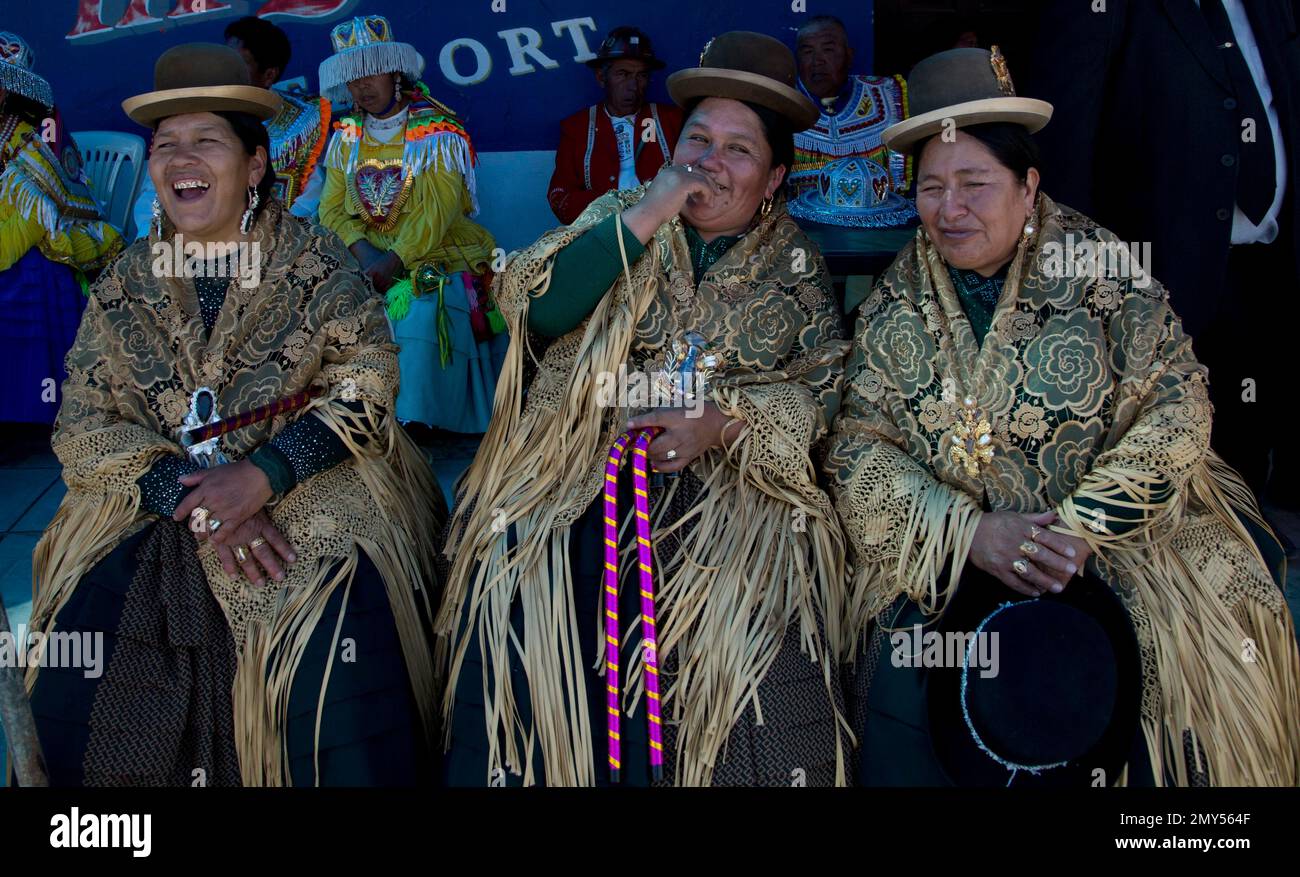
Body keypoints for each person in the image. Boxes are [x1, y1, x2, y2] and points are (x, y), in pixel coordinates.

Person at [826, 47, 1300, 786]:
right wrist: (967, 531)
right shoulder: (896, 299)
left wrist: (1079, 527)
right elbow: (857, 444)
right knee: (904, 685)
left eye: (976, 184)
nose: (950, 211)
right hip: (952, 557)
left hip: (1113, 545)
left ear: (1029, 184)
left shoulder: (1101, 269)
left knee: (1175, 686)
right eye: (933, 187)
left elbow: (1178, 400)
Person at [24, 43, 443, 787]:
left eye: (205, 141)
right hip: (156, 497)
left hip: (312, 485)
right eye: (165, 145)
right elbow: (84, 420)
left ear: (255, 164)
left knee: (330, 654)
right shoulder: (127, 278)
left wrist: (265, 475)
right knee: (87, 659)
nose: (181, 159)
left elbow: (368, 382)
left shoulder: (315, 262)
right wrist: (195, 500)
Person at [438, 31, 851, 786]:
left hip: (731, 488)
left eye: (738, 150)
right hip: (584, 467)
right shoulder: (625, 211)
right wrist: (650, 210)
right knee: (531, 589)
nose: (709, 162)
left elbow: (821, 386)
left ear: (774, 177)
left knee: (754, 634)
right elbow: (540, 307)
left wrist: (721, 424)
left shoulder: (795, 264)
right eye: (698, 138)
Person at [1027, 0, 1300, 507]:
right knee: (1166, 457)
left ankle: (1241, 560)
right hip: (1155, 276)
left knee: (1248, 439)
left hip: (1267, 265)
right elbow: (1064, 138)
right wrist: (1079, 279)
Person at [318, 15, 502, 434]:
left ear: (395, 73)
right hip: (366, 262)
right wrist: (367, 257)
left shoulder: (438, 131)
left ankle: (419, 421)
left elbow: (434, 214)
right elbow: (330, 211)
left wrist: (394, 262)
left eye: (372, 73)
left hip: (435, 254)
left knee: (419, 310)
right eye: (353, 78)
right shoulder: (346, 135)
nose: (363, 86)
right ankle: (351, 424)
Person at [0, 31, 123, 425]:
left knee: (26, 275)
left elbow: (33, 226)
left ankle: (23, 412)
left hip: (33, 259)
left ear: (5, 92)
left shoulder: (28, 147)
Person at [131, 16, 330, 236]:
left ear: (269, 75)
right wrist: (156, 243)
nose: (225, 68)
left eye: (238, 62)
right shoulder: (187, 114)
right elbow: (150, 199)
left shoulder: (302, 121)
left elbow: (312, 198)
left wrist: (269, 243)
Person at [547, 26, 683, 224]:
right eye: (623, 74)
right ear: (602, 78)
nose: (633, 85)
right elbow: (559, 197)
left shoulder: (670, 120)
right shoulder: (578, 128)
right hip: (602, 233)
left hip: (665, 230)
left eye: (641, 75)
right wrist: (616, 205)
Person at [791, 15, 910, 199]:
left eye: (828, 50)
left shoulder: (885, 95)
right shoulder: (783, 102)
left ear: (849, 55)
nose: (817, 61)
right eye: (807, 52)